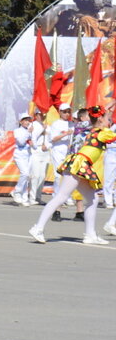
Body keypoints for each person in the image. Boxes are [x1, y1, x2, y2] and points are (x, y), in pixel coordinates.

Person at [29, 105, 114, 245]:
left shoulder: (93, 129)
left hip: (80, 165)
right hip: (79, 165)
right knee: (61, 196)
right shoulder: (102, 132)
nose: (109, 122)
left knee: (92, 199)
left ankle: (90, 234)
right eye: (108, 119)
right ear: (100, 119)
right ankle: (38, 228)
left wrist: (108, 110)